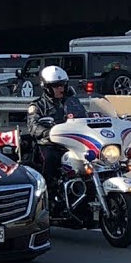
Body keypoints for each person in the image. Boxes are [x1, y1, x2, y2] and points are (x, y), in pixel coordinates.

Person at [25, 65, 88, 204]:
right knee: (50, 159)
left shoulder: (72, 102)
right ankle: (48, 195)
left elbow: (84, 118)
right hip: (49, 144)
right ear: (47, 87)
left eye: (63, 85)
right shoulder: (37, 105)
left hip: (72, 142)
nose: (61, 88)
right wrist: (49, 132)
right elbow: (33, 127)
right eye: (56, 86)